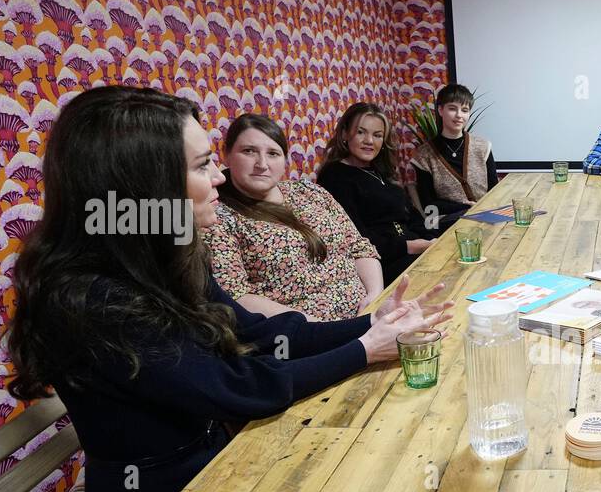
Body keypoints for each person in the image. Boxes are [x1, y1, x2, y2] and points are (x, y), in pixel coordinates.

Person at [8, 86, 452, 492]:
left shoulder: (166, 255)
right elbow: (240, 386)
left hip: (221, 474)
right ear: (145, 185)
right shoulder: (91, 300)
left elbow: (258, 332)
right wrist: (364, 350)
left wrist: (369, 324)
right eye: (202, 165)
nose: (219, 175)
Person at [205, 113, 385, 321]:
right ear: (226, 155)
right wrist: (324, 329)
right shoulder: (219, 217)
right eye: (249, 151)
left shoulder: (310, 192)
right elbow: (236, 295)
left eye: (273, 153)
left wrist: (375, 296)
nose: (262, 164)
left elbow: (358, 247)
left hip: (368, 313)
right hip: (310, 335)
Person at [318, 103, 435, 286]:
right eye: (361, 132)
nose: (369, 141)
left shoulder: (379, 170)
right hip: (380, 264)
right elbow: (354, 238)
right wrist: (410, 246)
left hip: (412, 245)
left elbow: (411, 214)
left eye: (377, 135)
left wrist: (431, 237)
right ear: (344, 134)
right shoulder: (334, 176)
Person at [410, 83, 498, 222]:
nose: (459, 115)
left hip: (487, 217)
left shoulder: (483, 146)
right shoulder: (424, 155)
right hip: (448, 221)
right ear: (440, 110)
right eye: (452, 109)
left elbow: (495, 192)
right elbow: (429, 206)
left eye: (464, 110)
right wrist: (462, 206)